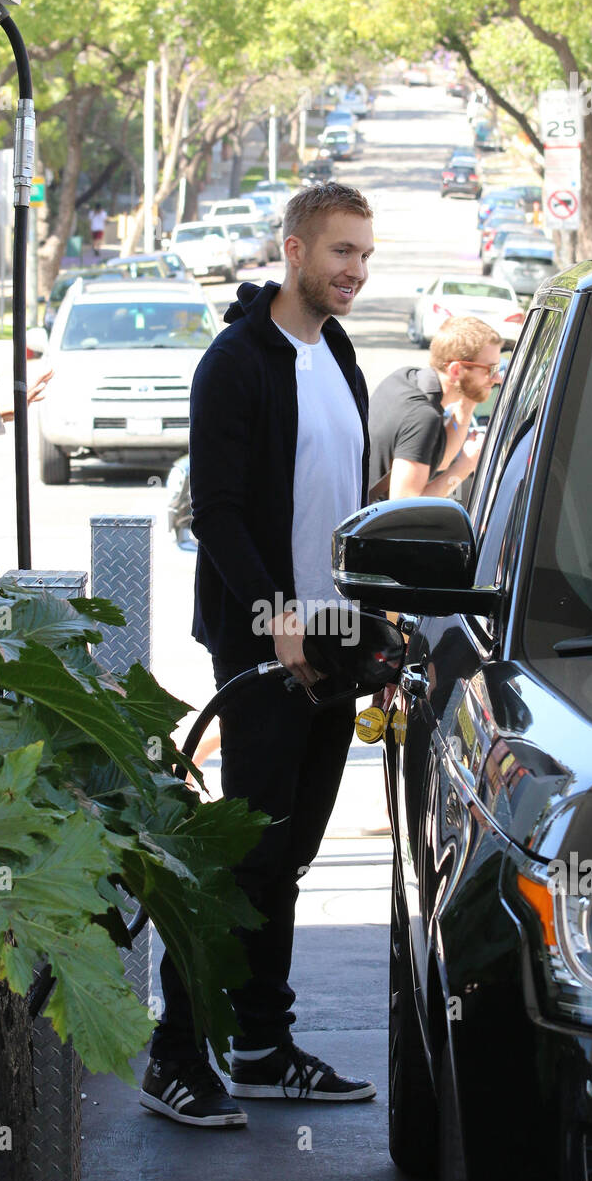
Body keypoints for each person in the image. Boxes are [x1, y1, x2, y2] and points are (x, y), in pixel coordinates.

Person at [141, 182, 377, 1128]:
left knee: (286, 857)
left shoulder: (339, 350)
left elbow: (345, 501)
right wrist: (277, 612)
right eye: (339, 254)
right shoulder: (235, 362)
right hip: (263, 641)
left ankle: (261, 1046)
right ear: (292, 250)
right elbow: (221, 511)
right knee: (245, 854)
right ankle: (173, 1054)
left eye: (363, 255)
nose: (354, 272)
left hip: (333, 639)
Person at [367, 315, 502, 501]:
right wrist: (465, 466)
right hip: (371, 527)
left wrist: (468, 404)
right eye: (490, 369)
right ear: (455, 370)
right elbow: (404, 506)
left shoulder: (406, 378)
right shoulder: (423, 416)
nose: (497, 379)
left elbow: (439, 461)